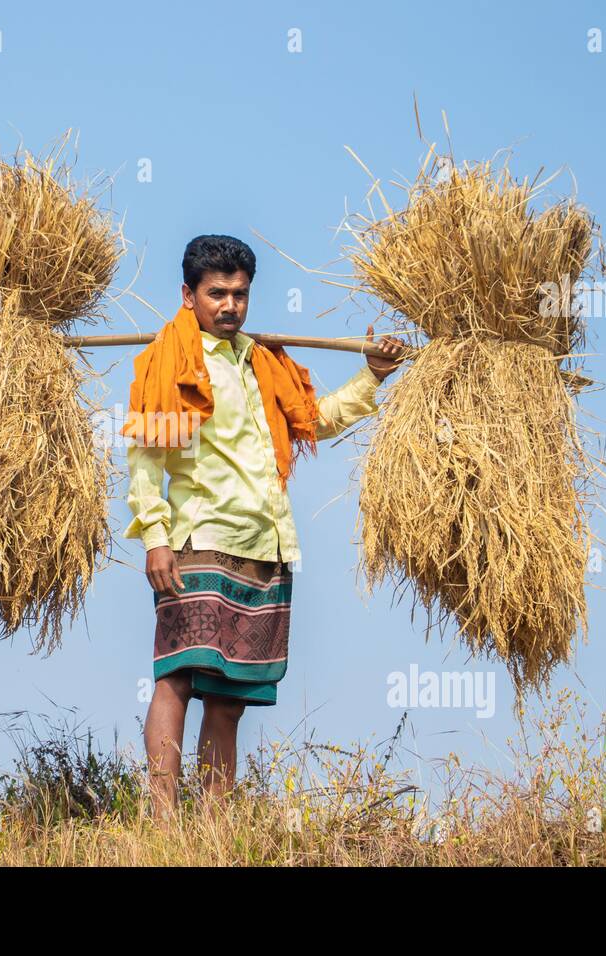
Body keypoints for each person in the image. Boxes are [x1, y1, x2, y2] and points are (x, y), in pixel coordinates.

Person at [121, 234, 404, 820]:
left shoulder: (261, 363)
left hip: (264, 548)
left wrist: (373, 376)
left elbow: (312, 421)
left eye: (240, 294)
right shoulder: (174, 363)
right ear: (188, 295)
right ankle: (163, 824)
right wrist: (154, 539)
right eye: (216, 293)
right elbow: (148, 460)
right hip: (198, 541)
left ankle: (217, 830)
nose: (229, 305)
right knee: (177, 676)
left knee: (228, 701)